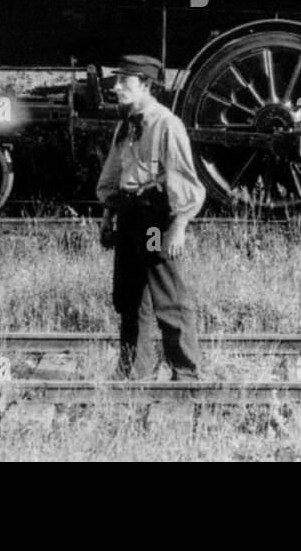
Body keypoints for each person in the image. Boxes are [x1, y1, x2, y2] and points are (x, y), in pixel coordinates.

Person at [96, 54, 205, 380]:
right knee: (130, 299)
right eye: (117, 81)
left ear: (145, 85)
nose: (116, 88)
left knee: (166, 296)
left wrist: (179, 226)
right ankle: (134, 372)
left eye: (124, 82)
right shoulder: (126, 124)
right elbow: (117, 173)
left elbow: (184, 178)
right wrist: (108, 216)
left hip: (153, 223)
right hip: (128, 219)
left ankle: (186, 373)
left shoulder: (166, 124)